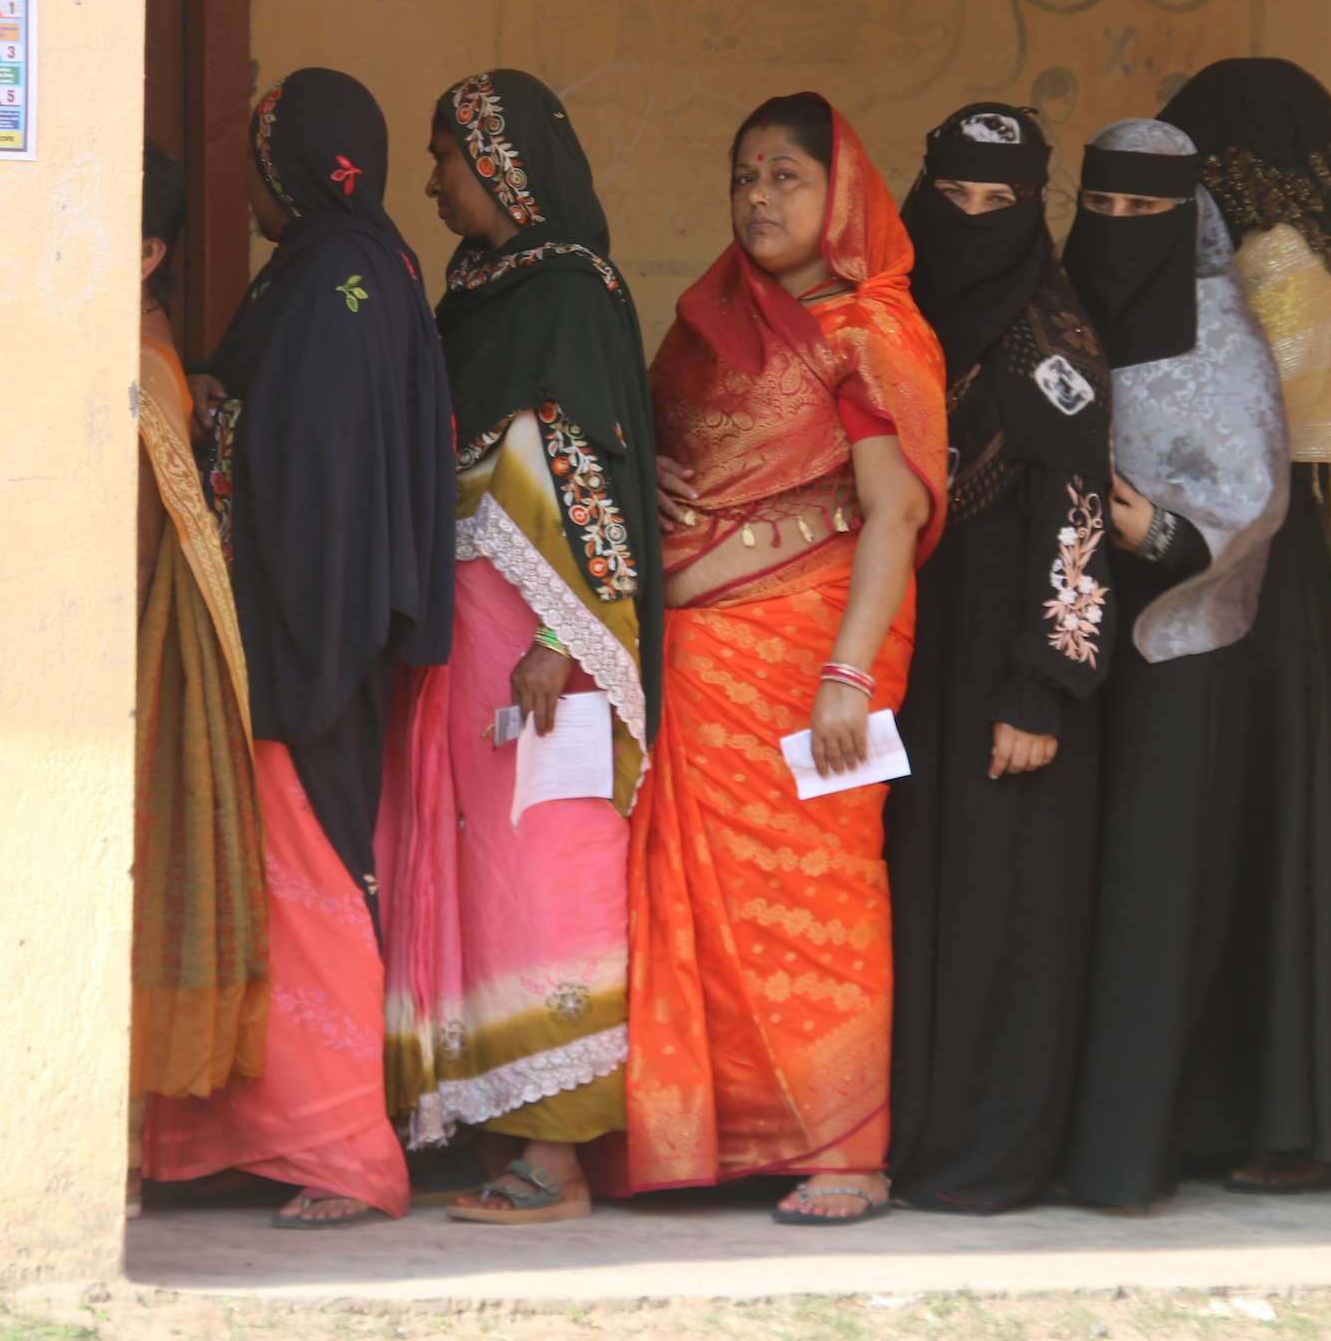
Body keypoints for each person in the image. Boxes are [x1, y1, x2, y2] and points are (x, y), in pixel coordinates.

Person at [626, 93, 946, 1225]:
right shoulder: (712, 319)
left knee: (822, 895)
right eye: (743, 176)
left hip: (814, 660)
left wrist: (847, 676)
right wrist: (648, 479)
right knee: (696, 912)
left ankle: (846, 1150)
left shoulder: (867, 330)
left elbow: (892, 514)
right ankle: (719, 1137)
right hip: (696, 669)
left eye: (785, 178)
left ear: (840, 193)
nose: (758, 198)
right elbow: (663, 445)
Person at [145, 69, 456, 1229]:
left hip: (309, 630)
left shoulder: (334, 275)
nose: (253, 191)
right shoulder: (360, 267)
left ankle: (337, 1151)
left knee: (311, 887)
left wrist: (213, 416)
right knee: (278, 888)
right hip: (324, 621)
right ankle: (249, 1134)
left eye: (262, 163)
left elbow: (314, 453)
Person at [376, 70, 662, 1225]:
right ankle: (501, 1124)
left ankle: (561, 1157)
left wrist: (563, 636)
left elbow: (595, 485)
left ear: (497, 160)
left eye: (446, 156)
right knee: (479, 872)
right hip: (467, 645)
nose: (433, 181)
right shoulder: (472, 293)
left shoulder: (570, 293)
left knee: (551, 870)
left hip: (548, 654)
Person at [1161, 60, 1331, 1194]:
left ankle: (1242, 1117)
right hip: (1301, 574)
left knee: (1235, 837)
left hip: (1236, 570)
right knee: (1286, 836)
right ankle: (1292, 1115)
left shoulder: (1260, 266)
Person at [883, 104, 1117, 1214]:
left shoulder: (1052, 346)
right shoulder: (889, 320)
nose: (968, 223)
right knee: (907, 886)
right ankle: (895, 1128)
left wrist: (1042, 683)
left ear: (1031, 210)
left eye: (996, 203)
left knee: (990, 900)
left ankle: (984, 1151)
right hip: (899, 653)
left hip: (997, 670)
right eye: (951, 198)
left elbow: (1075, 522)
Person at [1055, 118, 1289, 1211]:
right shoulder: (1051, 319)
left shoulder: (1224, 339)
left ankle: (1122, 1156)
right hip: (1060, 648)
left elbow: (1250, 498)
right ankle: (1040, 1139)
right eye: (1097, 210)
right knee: (1061, 903)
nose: (1115, 234)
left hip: (1176, 649)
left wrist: (1153, 530)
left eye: (1143, 214)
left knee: (1149, 903)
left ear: (1185, 215)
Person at [129, 141, 270, 1168]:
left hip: (129, 661)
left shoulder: (136, 366)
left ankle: (117, 1153)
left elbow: (131, 544)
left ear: (141, 252)